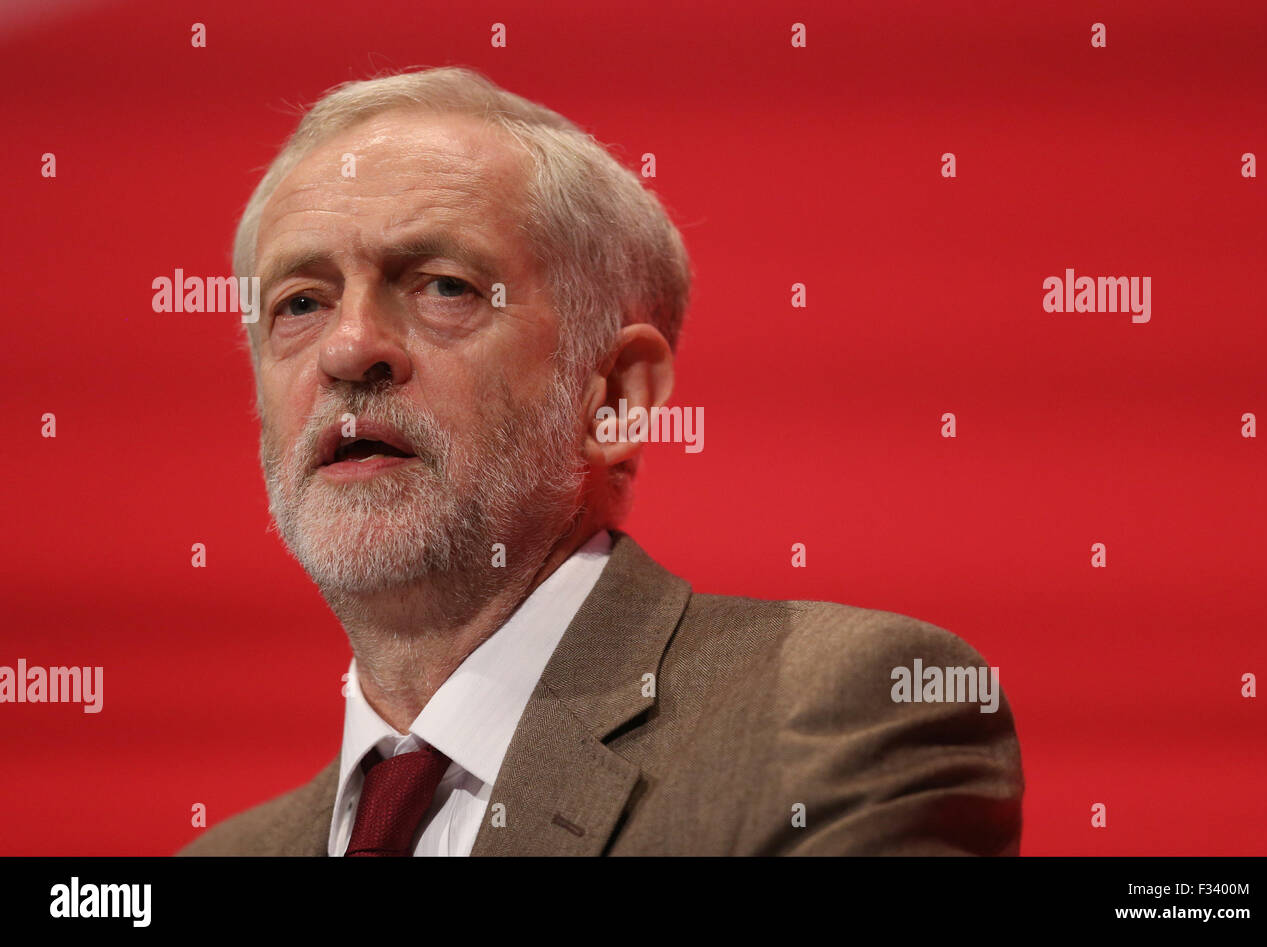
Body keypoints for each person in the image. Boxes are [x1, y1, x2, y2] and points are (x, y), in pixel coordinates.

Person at [179, 66, 1023, 857]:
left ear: (614, 396)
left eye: (444, 286)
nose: (350, 346)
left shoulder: (832, 718)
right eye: (300, 303)